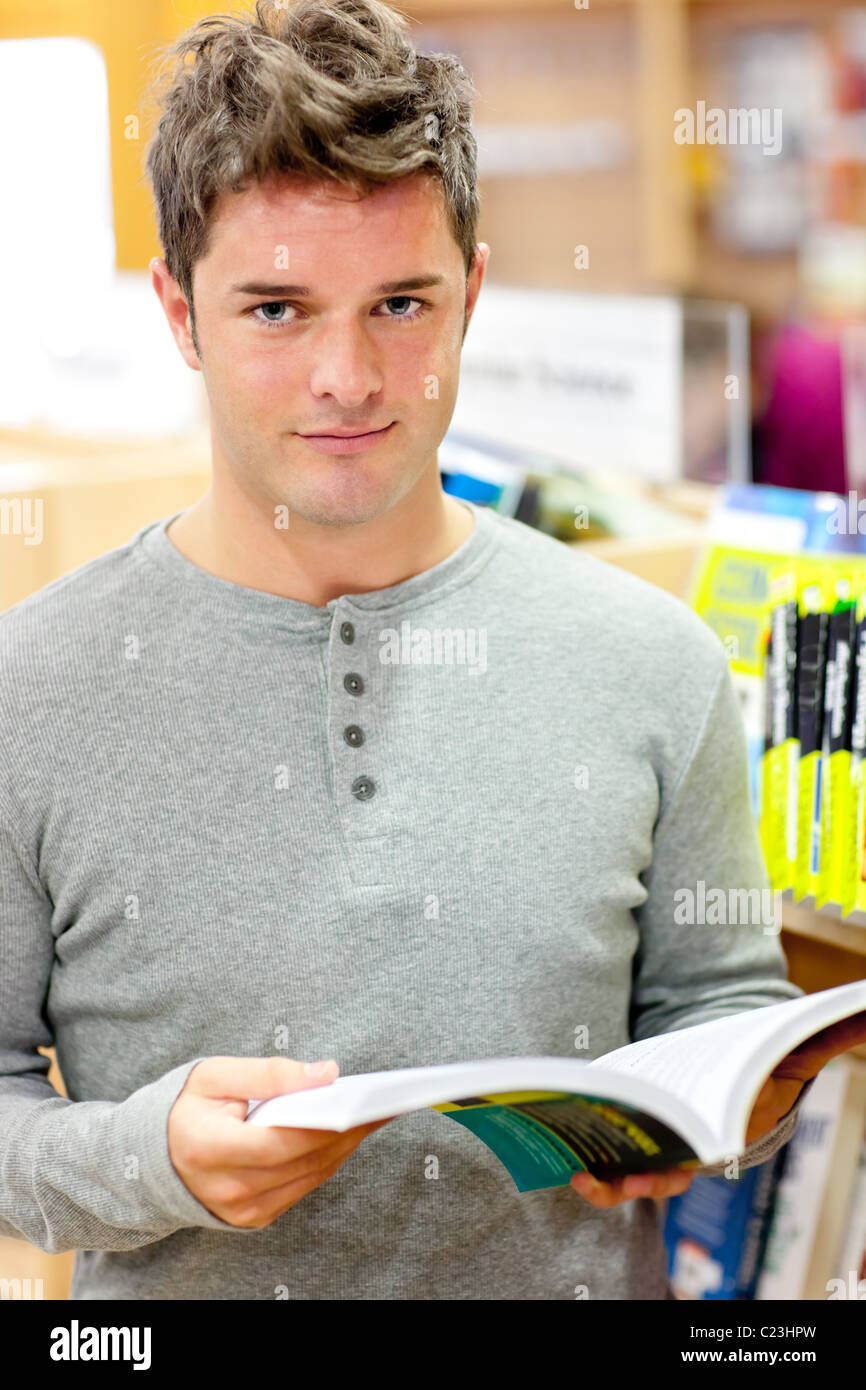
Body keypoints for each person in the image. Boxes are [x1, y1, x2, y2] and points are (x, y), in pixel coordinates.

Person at [1, 0, 861, 1302]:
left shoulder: (652, 661)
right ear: (180, 314)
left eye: (398, 303)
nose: (348, 376)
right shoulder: (33, 687)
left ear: (469, 291)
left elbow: (719, 1019)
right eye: (277, 311)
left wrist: (713, 1117)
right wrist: (144, 1159)